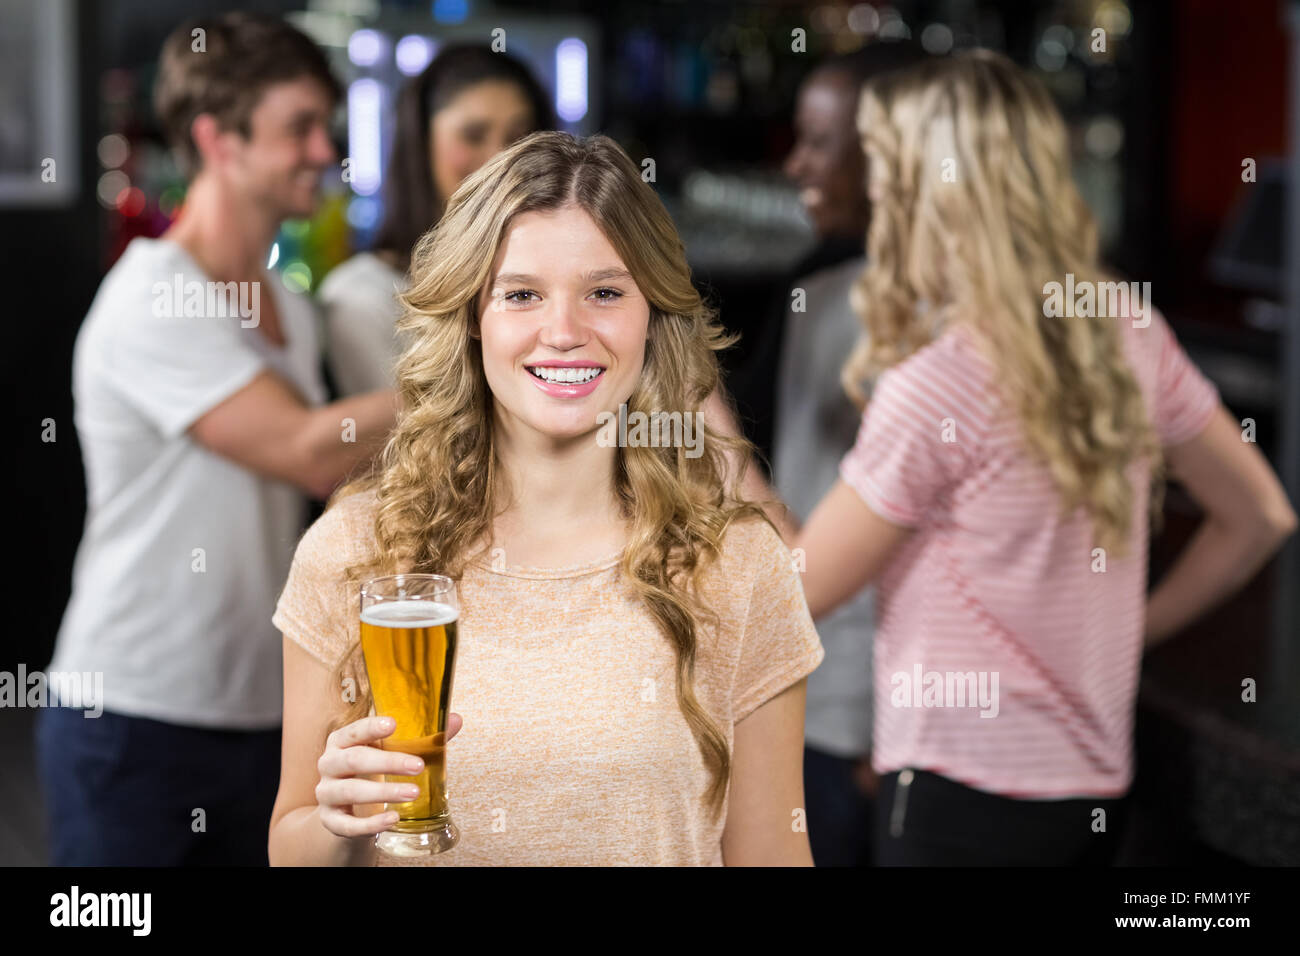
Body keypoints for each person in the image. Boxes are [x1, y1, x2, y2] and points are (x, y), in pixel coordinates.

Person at [711, 50, 1297, 865]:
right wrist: (1129, 635)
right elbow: (1260, 516)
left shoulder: (937, 383)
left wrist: (710, 422)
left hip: (957, 802)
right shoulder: (1125, 327)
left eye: (885, 167)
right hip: (1089, 796)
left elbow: (792, 594)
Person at [267, 131, 826, 866]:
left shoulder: (741, 562)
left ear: (653, 314)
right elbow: (289, 845)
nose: (564, 333)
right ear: (471, 317)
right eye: (521, 294)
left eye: (604, 292)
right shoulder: (355, 549)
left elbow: (775, 857)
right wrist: (337, 822)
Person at [36, 12, 399, 866]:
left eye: (327, 128)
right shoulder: (154, 294)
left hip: (260, 715)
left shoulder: (289, 305)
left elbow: (332, 480)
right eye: (300, 128)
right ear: (217, 139)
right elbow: (309, 449)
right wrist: (472, 372)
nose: (324, 151)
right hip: (136, 718)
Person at [773, 40, 929, 868]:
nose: (796, 160)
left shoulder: (936, 324)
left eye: (820, 141)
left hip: (864, 714)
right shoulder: (823, 293)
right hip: (813, 695)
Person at [319, 45, 552, 396]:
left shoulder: (562, 277)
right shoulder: (365, 296)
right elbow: (411, 440)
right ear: (421, 145)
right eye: (473, 135)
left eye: (518, 138)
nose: (500, 159)